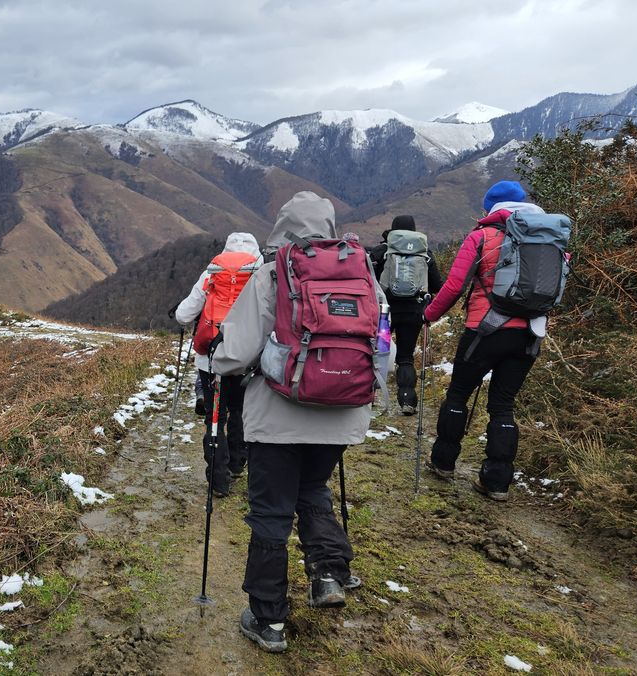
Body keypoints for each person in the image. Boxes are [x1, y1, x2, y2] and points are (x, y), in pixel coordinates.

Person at [211, 192, 378, 653]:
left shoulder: (272, 272)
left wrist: (219, 359)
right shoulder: (363, 272)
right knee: (313, 490)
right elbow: (383, 348)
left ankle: (268, 620)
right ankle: (328, 574)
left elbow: (236, 353)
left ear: (281, 227)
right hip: (342, 412)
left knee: (270, 512)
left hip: (277, 418)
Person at [422, 181, 543, 501]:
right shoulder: (547, 238)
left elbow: (453, 287)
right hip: (529, 334)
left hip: (484, 331)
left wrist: (429, 315)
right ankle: (497, 481)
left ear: (491, 207)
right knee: (503, 404)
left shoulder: (482, 236)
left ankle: (443, 463)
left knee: (459, 393)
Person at [174, 231, 261, 497]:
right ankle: (238, 463)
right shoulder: (263, 273)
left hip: (212, 359)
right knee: (241, 412)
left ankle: (218, 480)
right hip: (248, 358)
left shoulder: (211, 273)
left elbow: (183, 315)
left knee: (216, 419)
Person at [369, 216, 444, 414]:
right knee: (405, 357)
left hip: (384, 312)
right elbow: (437, 285)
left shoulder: (381, 252)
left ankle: (368, 397)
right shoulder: (424, 253)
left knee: (377, 353)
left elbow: (367, 281)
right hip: (413, 312)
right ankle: (407, 401)